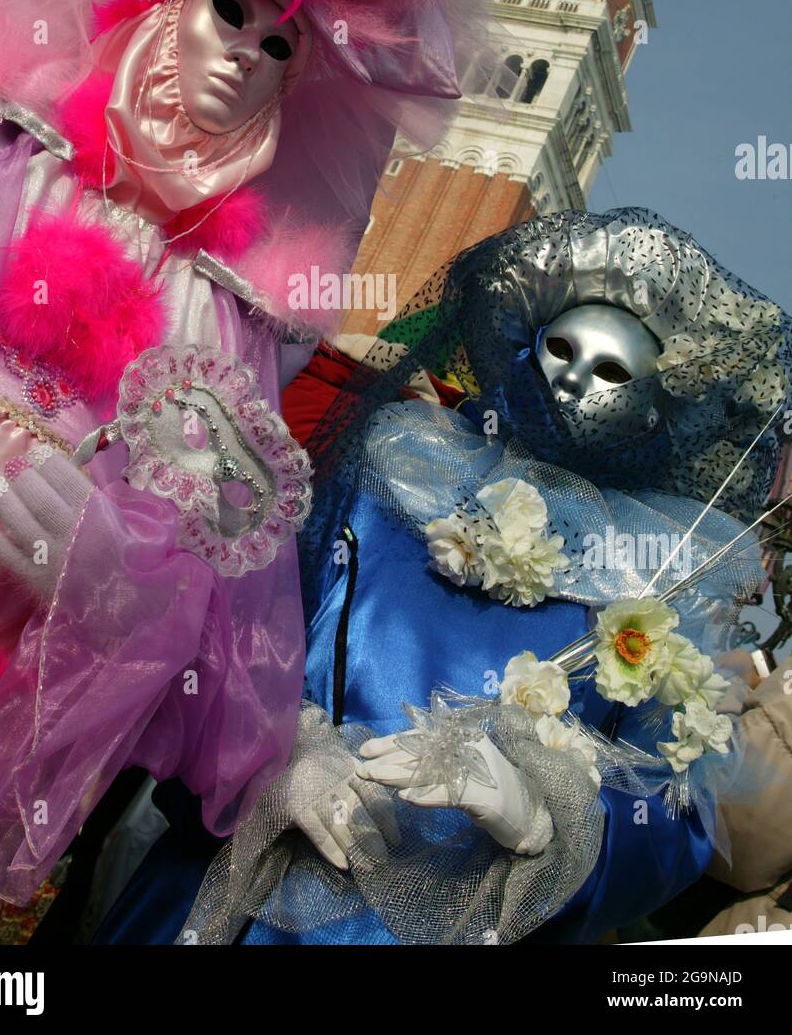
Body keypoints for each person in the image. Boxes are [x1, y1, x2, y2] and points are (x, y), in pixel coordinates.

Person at [0, 0, 528, 929]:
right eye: (227, 7)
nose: (244, 54)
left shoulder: (221, 314)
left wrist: (116, 585)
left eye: (284, 43)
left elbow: (215, 613)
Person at [128, 207, 787, 946]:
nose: (571, 379)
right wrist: (264, 763)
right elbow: (239, 631)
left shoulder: (662, 577)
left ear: (649, 413)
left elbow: (674, 812)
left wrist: (546, 824)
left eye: (608, 369)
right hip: (236, 881)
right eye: (560, 347)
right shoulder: (393, 466)